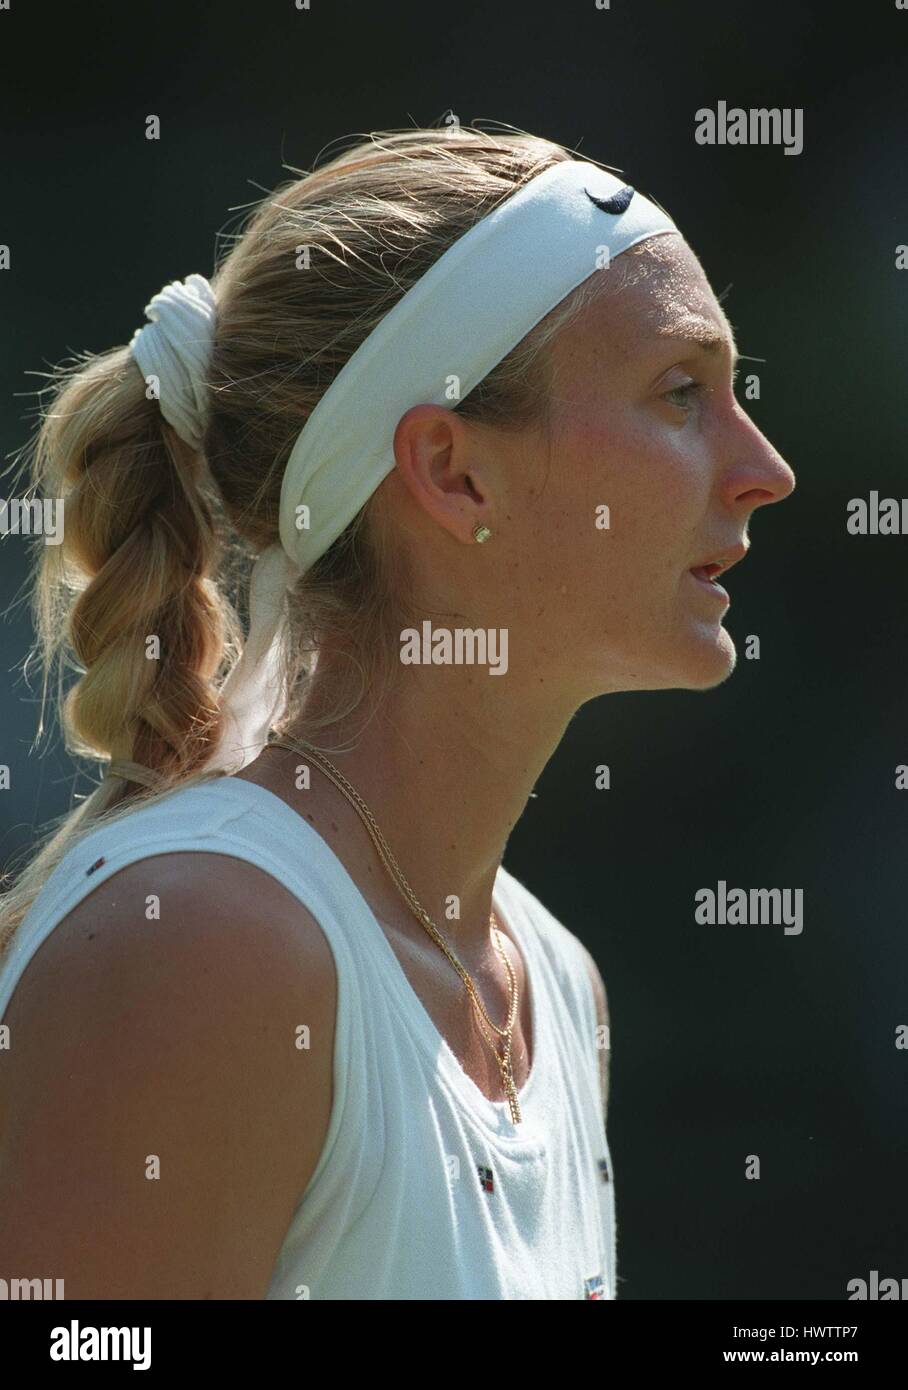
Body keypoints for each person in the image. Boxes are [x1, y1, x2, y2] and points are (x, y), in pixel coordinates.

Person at [0, 123, 795, 1300]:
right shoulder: (207, 946)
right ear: (452, 470)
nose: (764, 468)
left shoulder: (552, 983)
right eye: (679, 392)